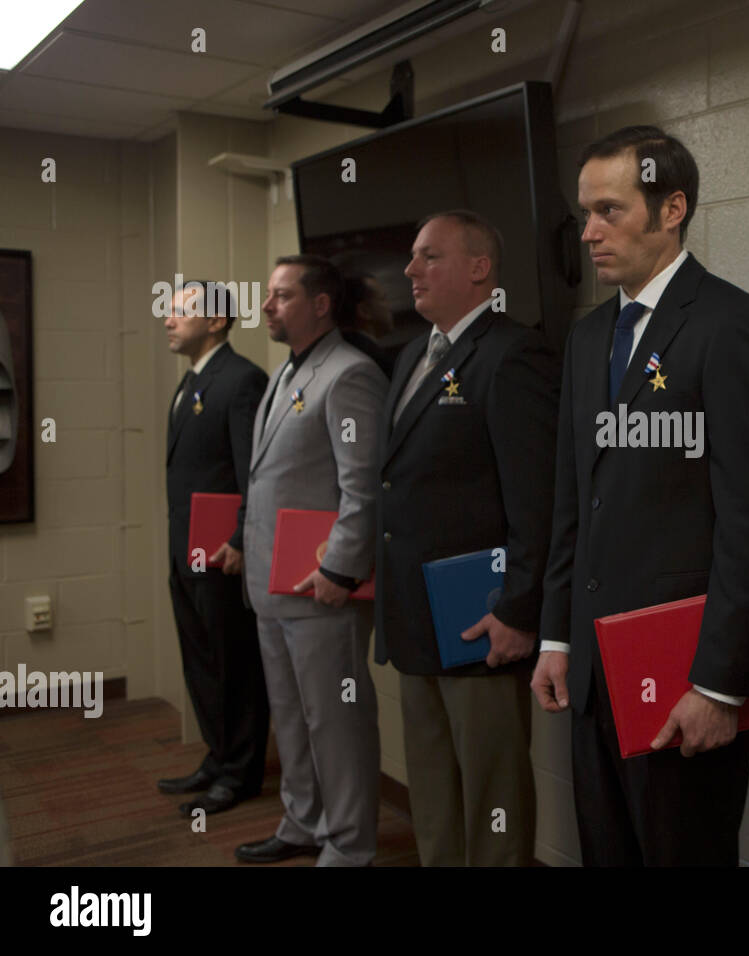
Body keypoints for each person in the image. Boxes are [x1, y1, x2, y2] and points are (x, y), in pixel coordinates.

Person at [532, 126, 749, 866]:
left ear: (672, 207)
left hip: (682, 677)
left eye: (609, 211)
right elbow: (572, 502)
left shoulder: (733, 329)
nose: (589, 233)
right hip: (593, 672)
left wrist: (720, 685)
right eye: (585, 214)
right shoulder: (590, 338)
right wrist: (557, 636)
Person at [375, 211, 558, 866]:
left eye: (429, 256)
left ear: (479, 268)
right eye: (412, 256)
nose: (410, 270)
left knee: (491, 794)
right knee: (432, 790)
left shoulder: (513, 354)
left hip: (480, 621)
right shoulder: (412, 357)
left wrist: (518, 608)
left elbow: (536, 501)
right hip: (415, 618)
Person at [235, 255, 388, 866]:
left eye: (280, 295)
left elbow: (364, 488)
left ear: (320, 304)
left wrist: (340, 570)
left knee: (336, 722)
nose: (268, 306)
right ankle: (303, 820)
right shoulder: (284, 374)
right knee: (293, 718)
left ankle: (349, 844)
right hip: (271, 584)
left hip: (323, 587)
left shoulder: (349, 375)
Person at [159, 280, 269, 816]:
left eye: (180, 311)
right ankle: (217, 754)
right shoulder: (192, 382)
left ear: (218, 321)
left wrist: (240, 538)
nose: (168, 319)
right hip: (186, 551)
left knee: (234, 663)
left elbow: (254, 470)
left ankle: (240, 772)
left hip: (223, 552)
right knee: (200, 661)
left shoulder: (242, 380)